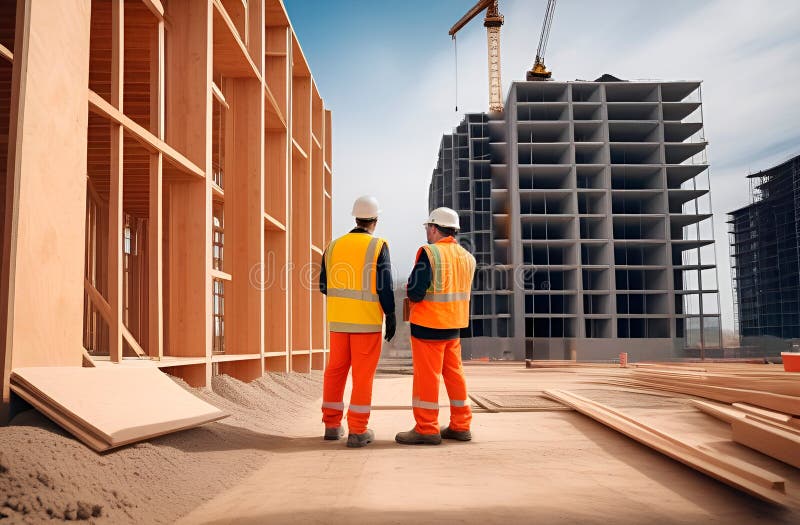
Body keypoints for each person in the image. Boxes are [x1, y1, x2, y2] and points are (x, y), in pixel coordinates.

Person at [319, 195, 395, 448]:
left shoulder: (333, 246)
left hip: (339, 323)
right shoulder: (377, 246)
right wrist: (391, 314)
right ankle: (358, 431)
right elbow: (384, 285)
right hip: (366, 323)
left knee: (335, 371)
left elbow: (323, 284)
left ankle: (331, 425)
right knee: (362, 377)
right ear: (375, 220)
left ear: (356, 217)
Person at [395, 207, 476, 445]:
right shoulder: (467, 257)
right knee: (455, 375)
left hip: (428, 327)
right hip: (454, 327)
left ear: (433, 228)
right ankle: (461, 425)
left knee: (427, 378)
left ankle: (427, 428)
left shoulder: (429, 253)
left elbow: (416, 292)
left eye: (427, 228)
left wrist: (409, 291)